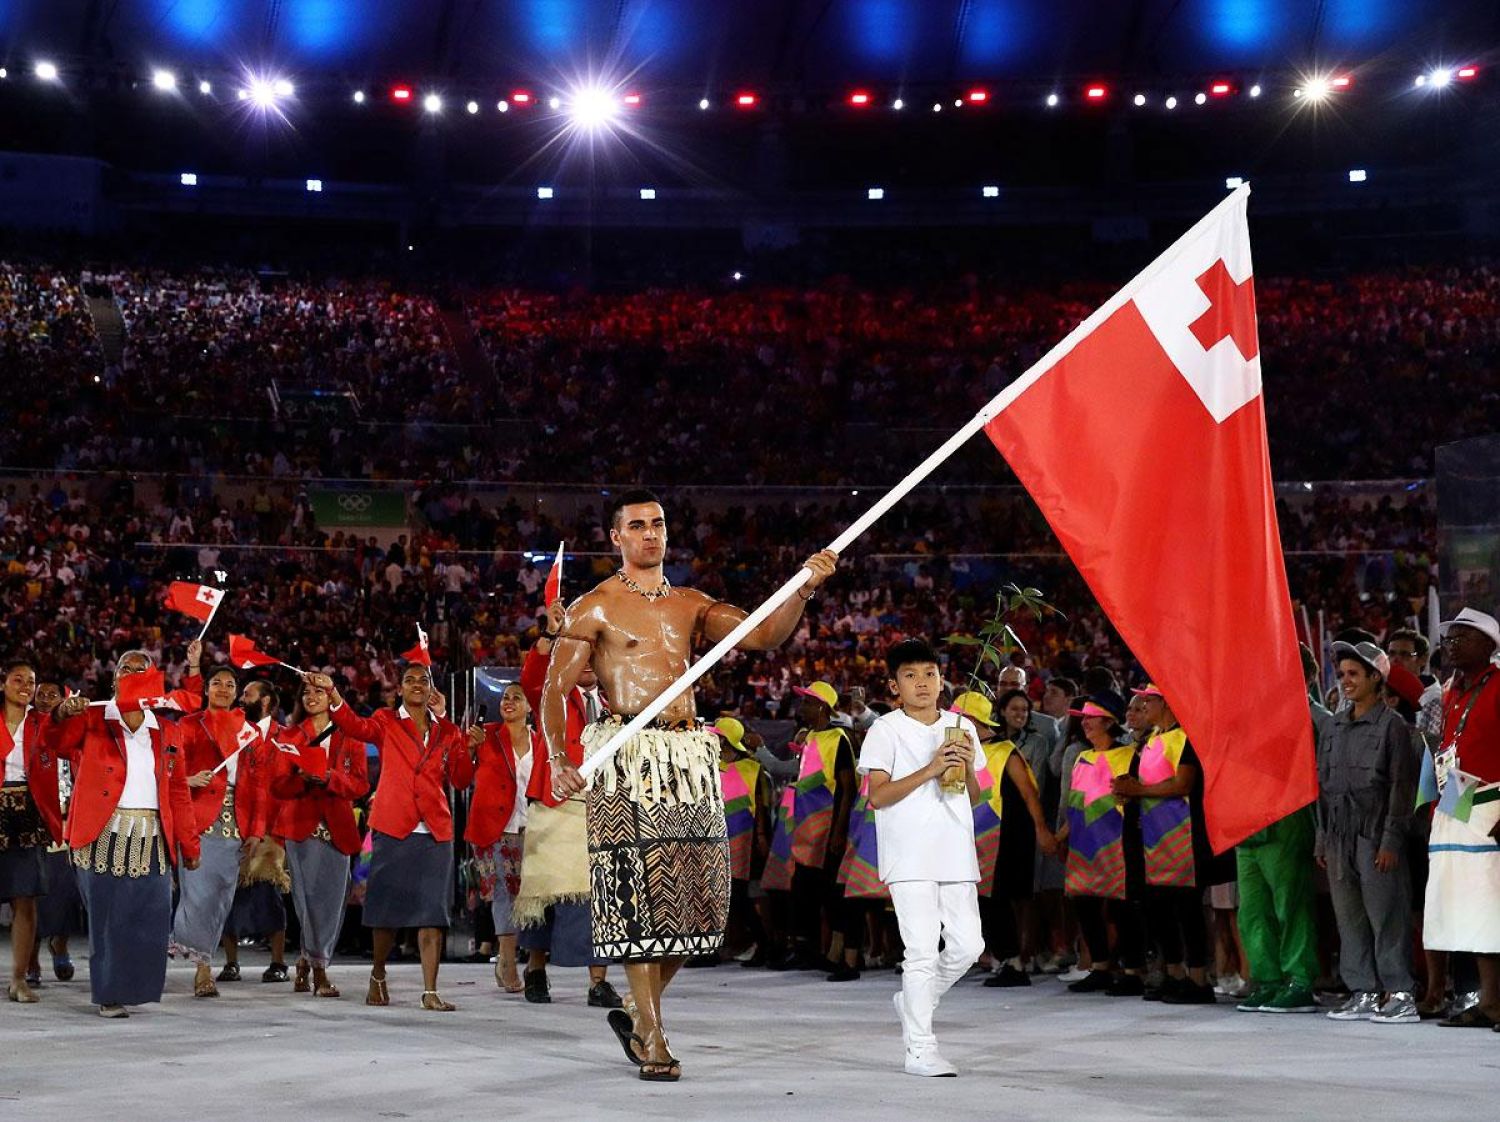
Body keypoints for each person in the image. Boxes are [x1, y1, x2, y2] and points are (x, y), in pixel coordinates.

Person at [550, 489, 837, 1082]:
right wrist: (558, 756)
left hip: (687, 759)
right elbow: (554, 690)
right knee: (636, 900)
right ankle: (653, 1035)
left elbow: (761, 635)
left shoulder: (689, 603)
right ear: (616, 538)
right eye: (637, 526)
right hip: (628, 756)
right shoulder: (595, 607)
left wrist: (803, 588)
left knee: (701, 906)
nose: (650, 534)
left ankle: (637, 1009)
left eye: (657, 524)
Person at [304, 661, 474, 1011]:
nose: (415, 684)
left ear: (431, 690)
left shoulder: (448, 730)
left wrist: (468, 747)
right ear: (399, 689)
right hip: (393, 827)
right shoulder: (385, 720)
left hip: (435, 832)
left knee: (433, 915)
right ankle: (378, 974)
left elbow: (459, 779)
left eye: (422, 680)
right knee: (385, 913)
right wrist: (333, 692)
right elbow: (352, 724)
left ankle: (430, 991)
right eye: (409, 680)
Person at [45, 651, 202, 1018]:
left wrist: (190, 843)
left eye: (140, 669)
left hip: (152, 835)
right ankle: (109, 993)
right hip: (104, 832)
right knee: (108, 919)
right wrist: (59, 714)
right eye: (125, 668)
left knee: (150, 917)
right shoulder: (91, 717)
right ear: (114, 679)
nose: (132, 674)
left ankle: (136, 988)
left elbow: (177, 791)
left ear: (152, 679)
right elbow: (56, 743)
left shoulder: (167, 730)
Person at [860, 639, 985, 1078]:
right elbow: (878, 795)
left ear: (942, 679)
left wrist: (966, 766)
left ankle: (917, 999)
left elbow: (977, 794)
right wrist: (931, 769)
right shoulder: (885, 730)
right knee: (921, 953)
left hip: (955, 850)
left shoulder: (960, 727)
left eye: (929, 674)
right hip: (909, 853)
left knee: (971, 945)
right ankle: (919, 1049)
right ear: (894, 686)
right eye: (910, 676)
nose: (922, 683)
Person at [516, 599, 621, 1009]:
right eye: (582, 654)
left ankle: (598, 983)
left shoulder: (617, 702)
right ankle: (535, 970)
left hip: (602, 807)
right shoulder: (551, 694)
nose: (589, 662)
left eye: (595, 654)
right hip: (555, 802)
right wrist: (552, 633)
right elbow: (532, 676)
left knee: (602, 894)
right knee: (544, 892)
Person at [1318, 639, 1419, 1024]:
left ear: (1377, 678)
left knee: (1387, 916)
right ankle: (1363, 992)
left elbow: (1401, 788)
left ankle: (1400, 993)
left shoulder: (1393, 727)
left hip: (1376, 834)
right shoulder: (1333, 726)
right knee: (1349, 918)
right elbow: (1323, 787)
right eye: (1342, 674)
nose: (1345, 681)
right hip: (1340, 835)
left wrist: (1391, 841)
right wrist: (1322, 838)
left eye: (1354, 674)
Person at [1112, 684, 1221, 1005]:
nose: (1143, 704)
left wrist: (1138, 791)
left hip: (1184, 836)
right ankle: (1176, 974)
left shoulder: (1187, 737)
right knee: (1158, 909)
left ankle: (1199, 978)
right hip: (1155, 837)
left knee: (1186, 909)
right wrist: (1127, 790)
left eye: (1149, 700)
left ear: (1167, 703)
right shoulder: (1152, 741)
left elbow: (1183, 783)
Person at [169, 667, 275, 998]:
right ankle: (203, 968)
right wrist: (186, 781)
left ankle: (199, 953)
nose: (224, 689)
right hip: (197, 818)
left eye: (231, 685)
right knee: (197, 893)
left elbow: (259, 785)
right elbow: (166, 768)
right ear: (206, 689)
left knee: (221, 897)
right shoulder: (188, 725)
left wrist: (257, 830)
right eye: (217, 683)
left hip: (235, 823)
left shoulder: (248, 732)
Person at [1234, 645, 1325, 1015]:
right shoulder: (1251, 717)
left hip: (1288, 820)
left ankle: (1300, 981)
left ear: (1304, 675)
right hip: (1249, 825)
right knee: (1253, 912)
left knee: (1292, 906)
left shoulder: (1314, 718)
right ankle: (1268, 979)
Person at [1421, 608, 1500, 1030]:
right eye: (1449, 638)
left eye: (1462, 637)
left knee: (1495, 901)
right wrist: (1439, 808)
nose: (1451, 643)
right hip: (1458, 796)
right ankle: (1490, 1002)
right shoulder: (1451, 691)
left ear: (1489, 646)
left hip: (1493, 796)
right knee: (1471, 905)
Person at [270, 676, 371, 998]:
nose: (312, 696)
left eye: (319, 691)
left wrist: (328, 777)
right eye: (307, 692)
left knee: (331, 904)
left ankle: (304, 960)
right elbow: (277, 786)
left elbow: (360, 785)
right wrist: (302, 778)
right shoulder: (290, 736)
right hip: (301, 827)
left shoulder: (351, 737)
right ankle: (320, 970)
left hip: (338, 830)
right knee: (306, 902)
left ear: (332, 697)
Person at [950, 690, 1058, 988]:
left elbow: (1028, 793)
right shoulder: (960, 752)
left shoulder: (1004, 750)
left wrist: (1041, 830)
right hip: (974, 837)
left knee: (998, 899)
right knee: (983, 900)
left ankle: (1014, 962)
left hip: (1007, 836)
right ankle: (1003, 957)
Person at [763, 680, 856, 971]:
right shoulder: (810, 738)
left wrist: (839, 831)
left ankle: (838, 953)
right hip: (804, 830)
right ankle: (807, 950)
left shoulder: (838, 738)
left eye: (807, 701)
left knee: (831, 894)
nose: (802, 706)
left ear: (822, 707)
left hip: (828, 829)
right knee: (803, 892)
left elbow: (847, 787)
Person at [1056, 694, 1145, 996]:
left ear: (1109, 721)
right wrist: (1061, 837)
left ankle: (1133, 969)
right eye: (1083, 718)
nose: (1085, 723)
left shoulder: (1129, 755)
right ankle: (1100, 966)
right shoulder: (1082, 758)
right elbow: (1076, 806)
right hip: (1084, 845)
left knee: (1123, 909)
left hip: (1117, 844)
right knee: (1086, 906)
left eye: (1091, 717)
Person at [465, 682, 537, 993]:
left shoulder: (541, 741)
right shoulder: (486, 735)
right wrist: (468, 749)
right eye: (505, 697)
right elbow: (459, 777)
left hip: (532, 828)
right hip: (495, 828)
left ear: (530, 706)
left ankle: (523, 957)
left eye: (516, 698)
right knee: (505, 895)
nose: (508, 702)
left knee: (528, 896)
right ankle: (507, 959)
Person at [219, 678, 292, 986]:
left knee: (268, 896)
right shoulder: (233, 732)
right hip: (233, 822)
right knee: (228, 894)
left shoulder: (284, 738)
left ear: (264, 702)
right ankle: (231, 963)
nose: (240, 699)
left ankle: (278, 962)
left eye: (246, 694)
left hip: (272, 828)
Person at [1, 658, 64, 1003]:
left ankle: (18, 979)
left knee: (25, 897)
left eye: (31, 681)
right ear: (3, 684)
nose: (25, 686)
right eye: (17, 679)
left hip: (27, 812)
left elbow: (67, 736)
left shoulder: (43, 724)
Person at [711, 718, 774, 965]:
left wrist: (761, 836)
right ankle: (733, 946)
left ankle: (764, 944)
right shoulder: (712, 765)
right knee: (720, 896)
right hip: (716, 838)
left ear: (725, 740)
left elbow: (762, 805)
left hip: (744, 840)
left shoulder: (754, 768)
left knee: (738, 896)